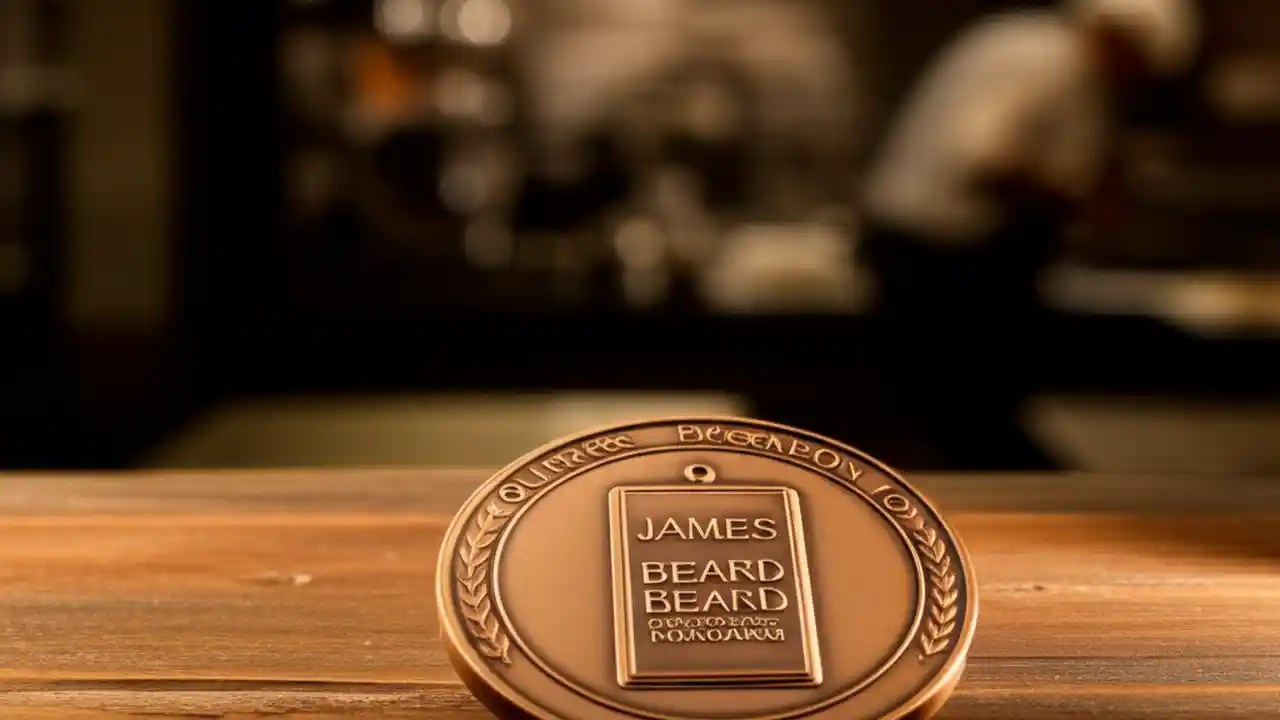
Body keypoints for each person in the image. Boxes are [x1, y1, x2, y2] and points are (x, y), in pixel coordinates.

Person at [861, 0, 1199, 468]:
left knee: (961, 410)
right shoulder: (1046, 60)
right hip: (937, 254)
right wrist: (1076, 201)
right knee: (960, 410)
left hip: (942, 251)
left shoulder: (1045, 52)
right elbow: (985, 158)